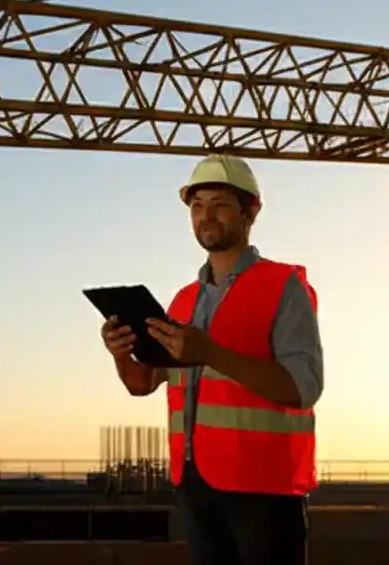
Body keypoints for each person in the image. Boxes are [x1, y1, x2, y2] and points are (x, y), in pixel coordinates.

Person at [99, 153, 324, 565]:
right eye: (197, 206)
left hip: (264, 490)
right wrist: (121, 354)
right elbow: (143, 384)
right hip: (194, 484)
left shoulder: (284, 287)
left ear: (250, 211)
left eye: (219, 204)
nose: (206, 216)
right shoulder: (183, 301)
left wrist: (212, 353)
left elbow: (303, 387)